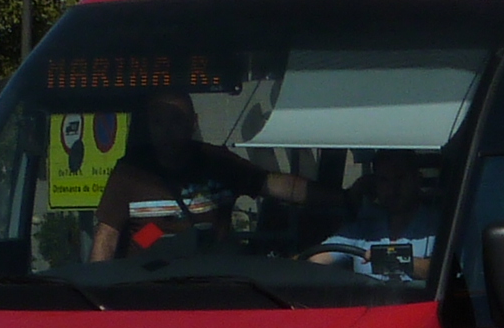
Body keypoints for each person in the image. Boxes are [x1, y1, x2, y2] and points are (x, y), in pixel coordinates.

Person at [90, 89, 310, 261]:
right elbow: (107, 237)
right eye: (158, 122)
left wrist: (339, 199)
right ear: (149, 126)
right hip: (146, 290)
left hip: (214, 286)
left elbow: (274, 184)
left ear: (193, 122)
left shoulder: (217, 162)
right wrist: (97, 299)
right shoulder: (131, 173)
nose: (167, 130)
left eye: (176, 121)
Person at [312, 150, 438, 282]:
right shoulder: (363, 226)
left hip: (418, 300)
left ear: (417, 179)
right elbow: (316, 259)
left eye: (400, 178)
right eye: (384, 180)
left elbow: (443, 273)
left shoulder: (440, 225)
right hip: (364, 300)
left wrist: (390, 257)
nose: (392, 188)